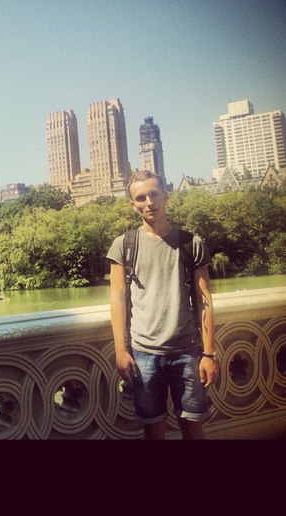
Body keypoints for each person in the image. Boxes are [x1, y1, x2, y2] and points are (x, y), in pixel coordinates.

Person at [106, 170, 219, 440]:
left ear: (166, 196)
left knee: (193, 428)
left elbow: (204, 301)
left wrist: (209, 354)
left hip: (187, 353)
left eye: (154, 194)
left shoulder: (191, 243)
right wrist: (121, 351)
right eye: (141, 198)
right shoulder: (124, 245)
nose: (149, 202)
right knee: (153, 430)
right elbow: (117, 301)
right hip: (143, 354)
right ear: (132, 204)